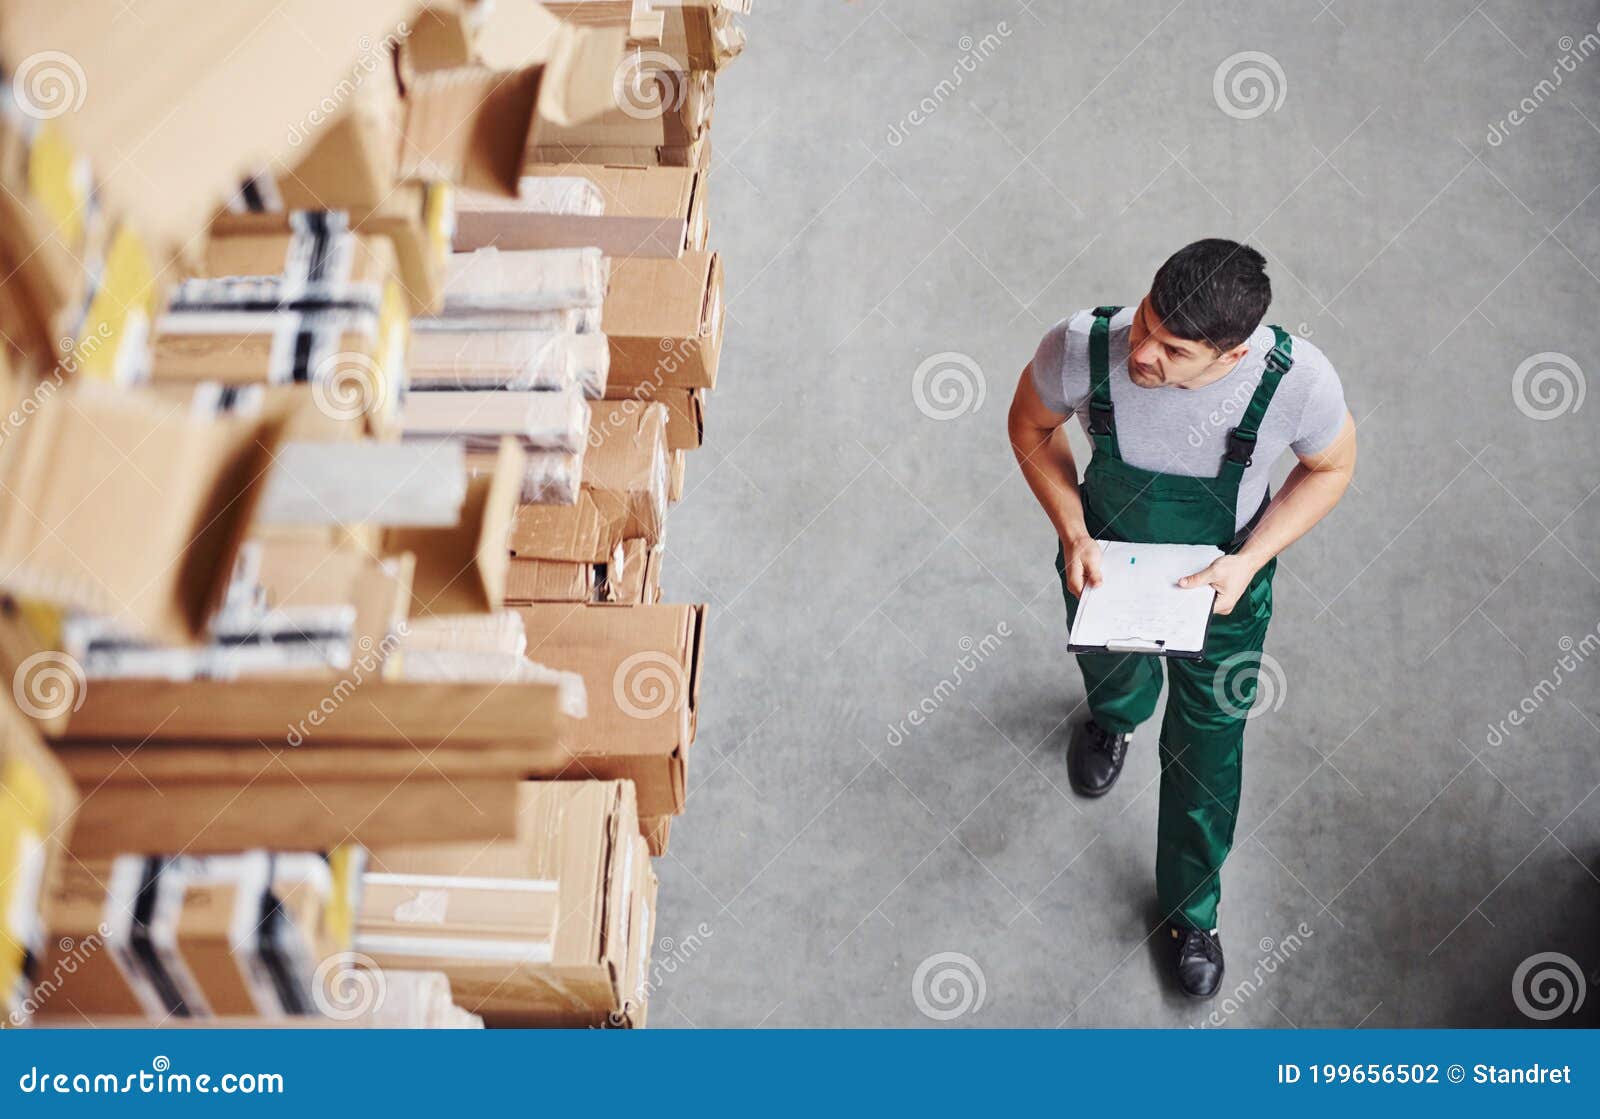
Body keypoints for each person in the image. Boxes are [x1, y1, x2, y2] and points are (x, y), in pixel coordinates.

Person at [1007, 239, 1356, 998]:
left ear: (1230, 357)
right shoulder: (1081, 347)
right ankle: (1114, 717)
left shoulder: (1296, 382)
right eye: (1147, 322)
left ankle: (1190, 912)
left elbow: (1331, 467)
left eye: (1173, 351)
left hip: (1222, 591)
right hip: (1105, 565)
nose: (1142, 353)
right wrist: (1072, 532)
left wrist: (1251, 559)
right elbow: (1030, 427)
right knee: (1112, 671)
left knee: (1208, 750)